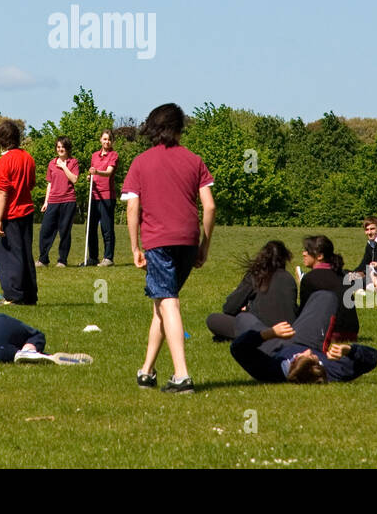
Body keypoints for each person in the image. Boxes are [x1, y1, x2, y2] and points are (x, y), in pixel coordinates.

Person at [123, 102, 214, 393]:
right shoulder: (195, 160)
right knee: (161, 304)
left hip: (158, 241)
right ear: (179, 128)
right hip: (188, 240)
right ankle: (147, 370)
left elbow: (132, 207)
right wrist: (205, 244)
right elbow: (210, 206)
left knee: (169, 302)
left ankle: (182, 376)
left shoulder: (141, 162)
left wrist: (134, 247)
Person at [229, 319, 377, 384]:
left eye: (303, 355)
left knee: (243, 318)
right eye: (313, 356)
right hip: (306, 336)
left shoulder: (270, 371)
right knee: (325, 295)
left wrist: (269, 333)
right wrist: (349, 349)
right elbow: (372, 358)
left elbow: (238, 348)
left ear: (293, 361)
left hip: (272, 343)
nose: (308, 351)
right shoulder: (333, 370)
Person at [206, 239, 296, 341]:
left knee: (213, 319)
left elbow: (230, 307)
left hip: (263, 331)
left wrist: (247, 311)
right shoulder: (289, 279)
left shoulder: (258, 275)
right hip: (288, 331)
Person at [0, 120, 37, 305]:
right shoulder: (28, 158)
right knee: (26, 254)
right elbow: (32, 184)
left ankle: (13, 294)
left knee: (7, 256)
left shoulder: (4, 161)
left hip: (11, 213)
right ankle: (29, 295)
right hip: (27, 211)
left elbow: (3, 192)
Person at [297, 234, 358, 341]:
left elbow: (304, 313)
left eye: (307, 250)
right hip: (352, 332)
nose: (304, 253)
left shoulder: (309, 278)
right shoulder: (342, 275)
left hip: (329, 332)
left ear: (320, 256)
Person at [38, 137, 79, 267]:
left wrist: (64, 167)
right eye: (58, 147)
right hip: (53, 201)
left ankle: (62, 260)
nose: (60, 149)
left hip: (68, 200)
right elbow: (49, 184)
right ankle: (43, 259)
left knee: (65, 231)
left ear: (67, 148)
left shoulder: (73, 162)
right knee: (45, 230)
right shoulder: (51, 163)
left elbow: (74, 179)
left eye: (63, 147)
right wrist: (46, 202)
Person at [83, 130, 120, 266]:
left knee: (106, 228)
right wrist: (90, 176)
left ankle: (108, 258)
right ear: (100, 140)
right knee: (91, 228)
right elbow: (94, 172)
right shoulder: (94, 156)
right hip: (94, 195)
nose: (107, 142)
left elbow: (109, 173)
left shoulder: (113, 155)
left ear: (112, 141)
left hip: (107, 196)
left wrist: (97, 172)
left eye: (109, 139)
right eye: (104, 139)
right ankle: (93, 257)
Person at [347, 216, 377, 286]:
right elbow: (365, 262)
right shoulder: (370, 243)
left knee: (355, 280)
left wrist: (363, 273)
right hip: (371, 272)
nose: (369, 232)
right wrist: (354, 272)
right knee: (346, 275)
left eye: (372, 229)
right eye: (367, 230)